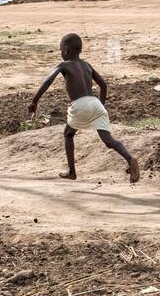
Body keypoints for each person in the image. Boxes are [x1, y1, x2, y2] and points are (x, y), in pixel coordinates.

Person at [28, 33, 140, 183]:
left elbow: (48, 80)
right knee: (108, 140)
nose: (61, 52)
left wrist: (35, 101)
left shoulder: (64, 65)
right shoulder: (87, 65)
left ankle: (72, 172)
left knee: (68, 134)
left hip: (80, 104)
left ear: (66, 50)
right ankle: (130, 158)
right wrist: (100, 106)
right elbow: (103, 85)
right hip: (96, 103)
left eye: (61, 50)